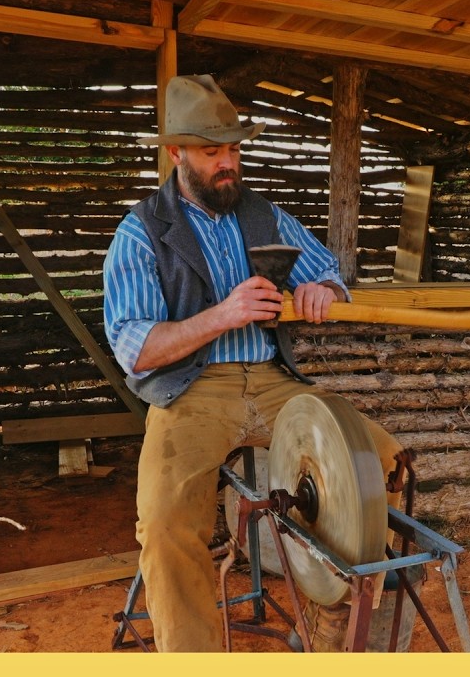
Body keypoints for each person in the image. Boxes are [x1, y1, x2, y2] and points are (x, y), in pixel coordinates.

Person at [102, 74, 403, 652]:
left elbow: (328, 270)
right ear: (177, 154)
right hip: (190, 390)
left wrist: (325, 291)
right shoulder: (142, 233)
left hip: (271, 380)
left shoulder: (265, 215)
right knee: (166, 525)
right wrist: (222, 314)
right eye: (212, 152)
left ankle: (333, 629)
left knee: (378, 461)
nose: (227, 164)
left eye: (235, 149)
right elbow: (136, 349)